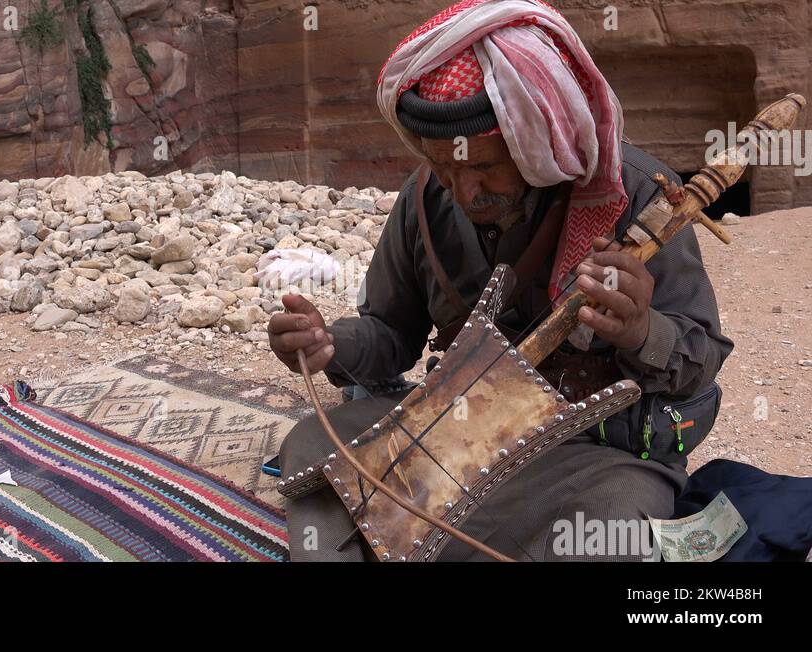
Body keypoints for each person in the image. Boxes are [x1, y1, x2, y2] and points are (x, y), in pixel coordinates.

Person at [268, 0, 733, 561]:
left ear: (535, 143)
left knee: (616, 525)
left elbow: (699, 362)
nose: (463, 191)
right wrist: (329, 344)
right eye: (444, 168)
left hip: (588, 458)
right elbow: (390, 334)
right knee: (317, 444)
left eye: (483, 167)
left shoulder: (640, 198)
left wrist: (639, 329)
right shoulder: (425, 201)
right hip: (460, 434)